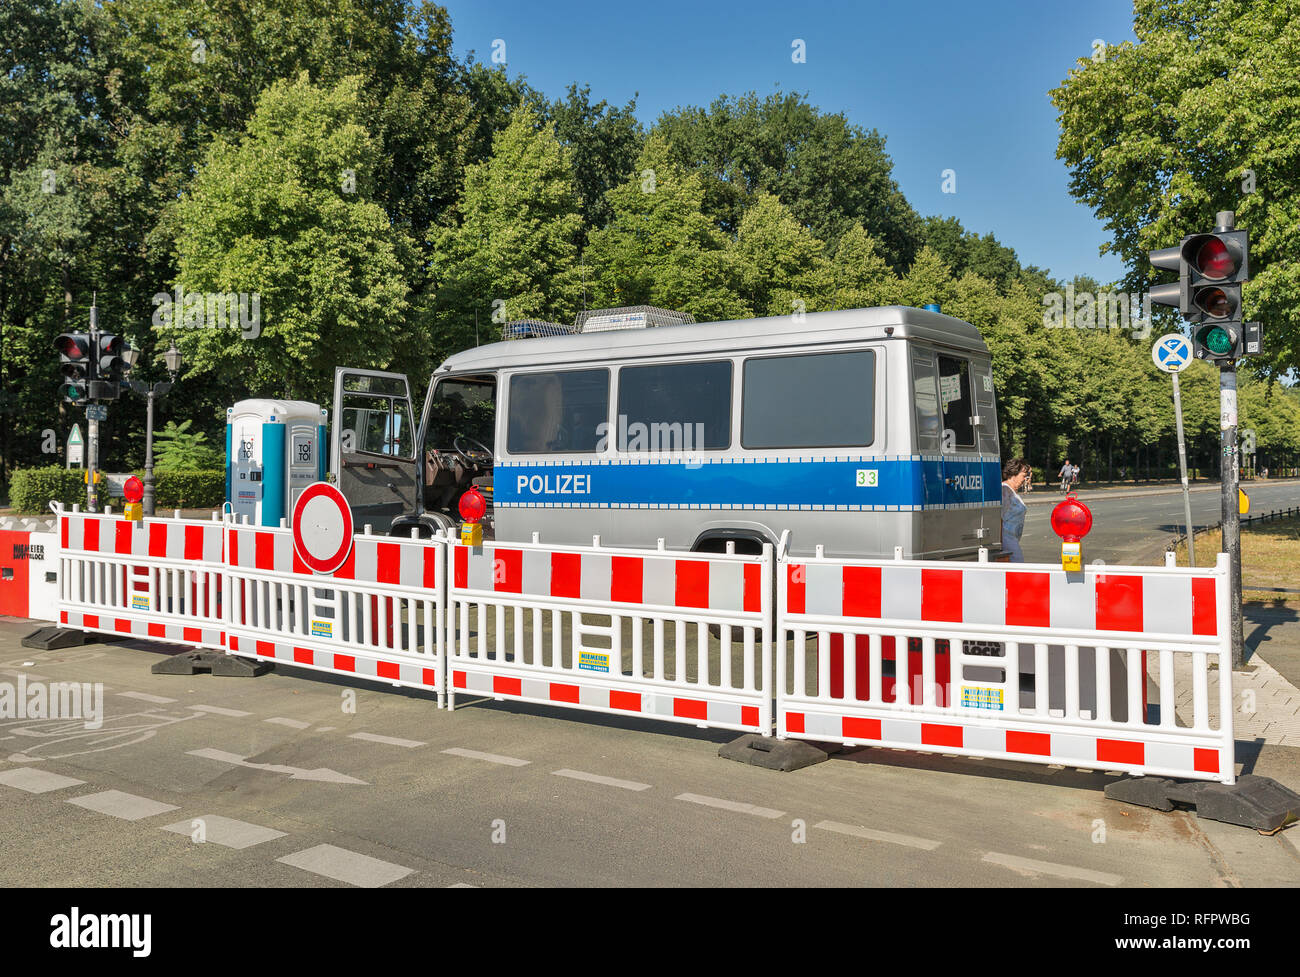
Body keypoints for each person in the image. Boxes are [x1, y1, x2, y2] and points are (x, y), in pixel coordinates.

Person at [1001, 458, 1032, 563]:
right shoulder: (1005, 490)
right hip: (1007, 540)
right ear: (1014, 474)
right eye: (1023, 476)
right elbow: (998, 518)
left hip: (1012, 540)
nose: (1025, 479)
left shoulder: (1011, 491)